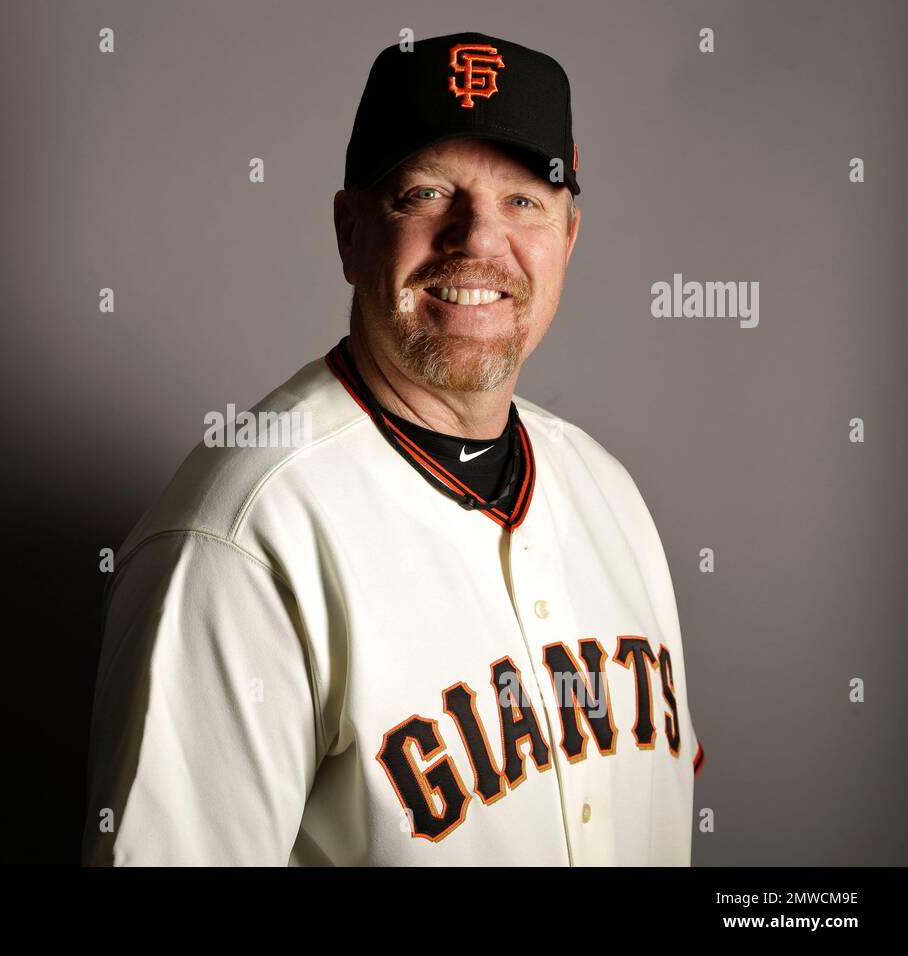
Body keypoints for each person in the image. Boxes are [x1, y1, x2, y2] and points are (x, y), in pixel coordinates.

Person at [82, 30, 702, 866]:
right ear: (349, 232)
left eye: (524, 200)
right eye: (426, 193)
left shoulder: (610, 494)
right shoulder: (241, 542)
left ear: (568, 239)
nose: (478, 240)